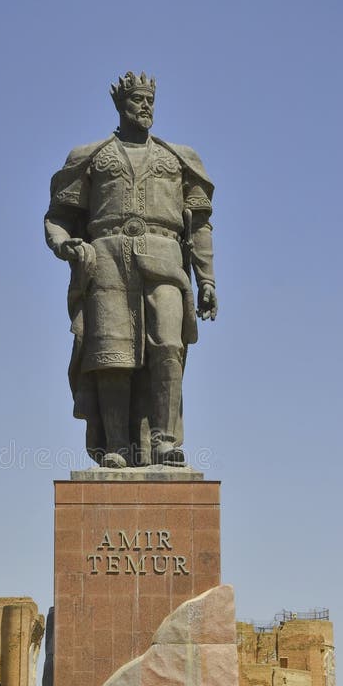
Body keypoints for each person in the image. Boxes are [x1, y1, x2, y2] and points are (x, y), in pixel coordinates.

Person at [45, 71, 217, 468]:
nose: (145, 107)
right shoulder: (91, 157)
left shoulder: (178, 159)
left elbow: (201, 224)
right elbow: (58, 216)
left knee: (169, 347)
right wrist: (64, 243)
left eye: (149, 101)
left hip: (165, 257)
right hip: (105, 259)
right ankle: (118, 447)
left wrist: (206, 279)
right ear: (120, 106)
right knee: (111, 355)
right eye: (137, 101)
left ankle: (164, 442)